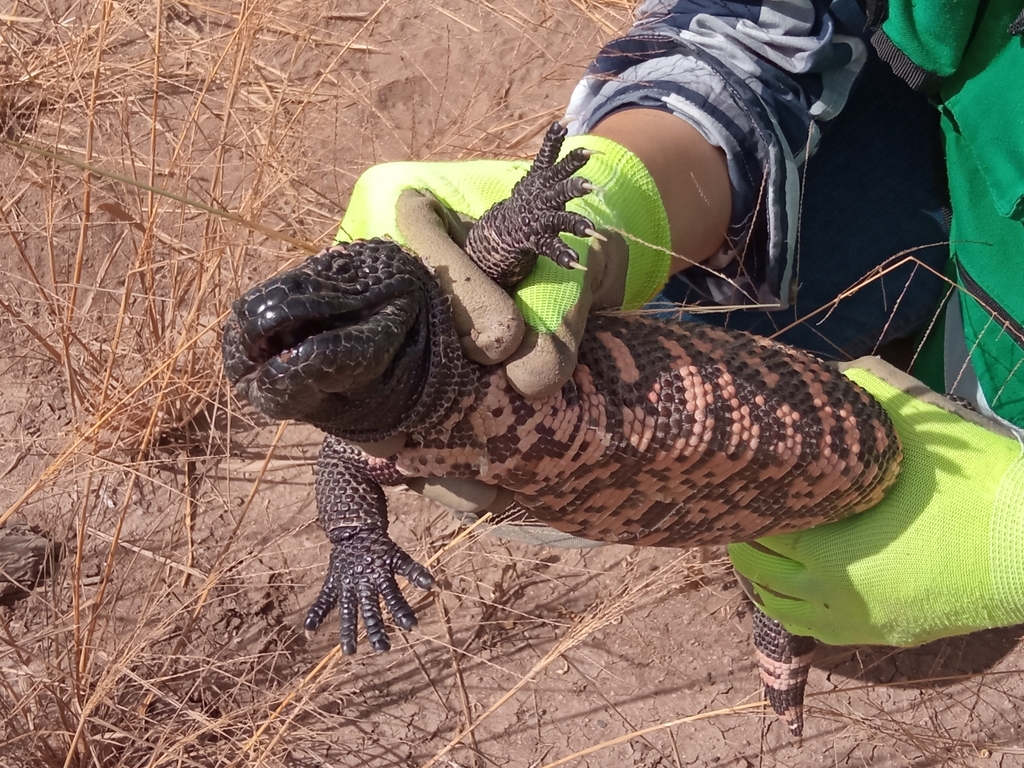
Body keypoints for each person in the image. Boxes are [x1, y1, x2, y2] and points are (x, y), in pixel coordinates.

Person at [337, 0, 1024, 648]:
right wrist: (624, 185)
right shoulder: (394, 390)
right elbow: (744, 20)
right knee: (574, 462)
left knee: (847, 519)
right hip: (925, 126)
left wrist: (1011, 551)